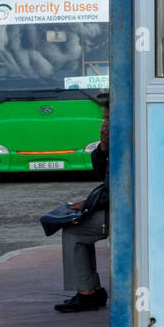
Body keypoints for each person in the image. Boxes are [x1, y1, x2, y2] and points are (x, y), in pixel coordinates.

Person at [55, 102, 110, 312]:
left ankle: (87, 293)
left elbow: (118, 188)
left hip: (123, 214)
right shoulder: (116, 141)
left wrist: (88, 205)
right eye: (103, 119)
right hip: (114, 209)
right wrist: (103, 149)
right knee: (77, 225)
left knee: (74, 231)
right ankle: (91, 288)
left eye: (107, 119)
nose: (103, 125)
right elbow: (102, 175)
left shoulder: (128, 141)